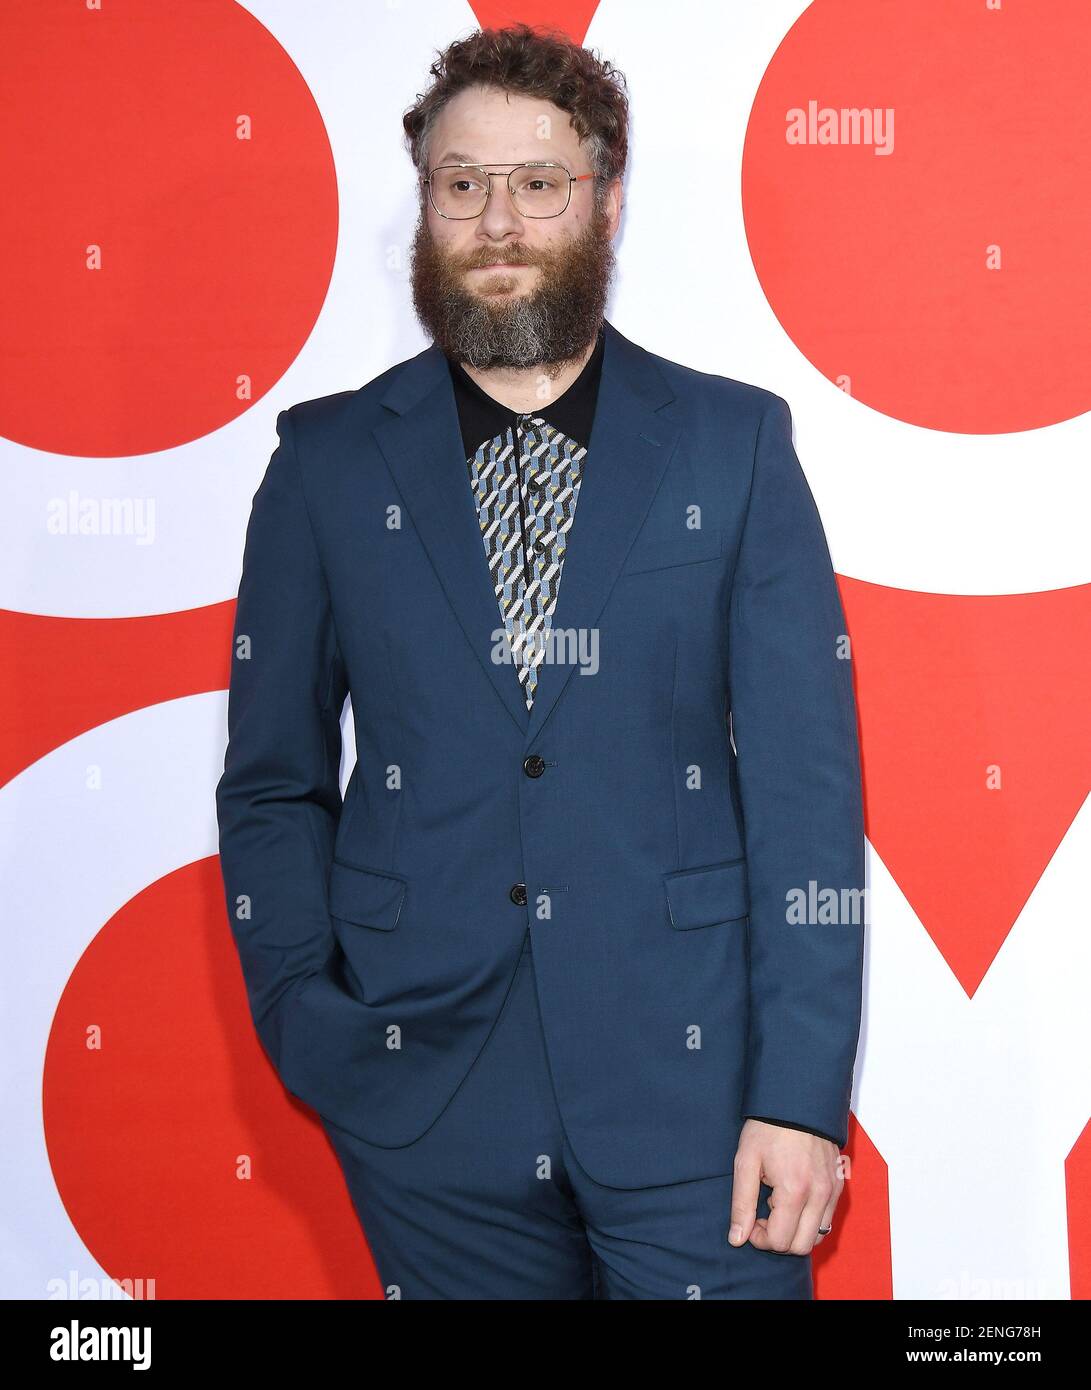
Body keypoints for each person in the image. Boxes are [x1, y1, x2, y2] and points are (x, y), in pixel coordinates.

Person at [215, 22, 866, 1300]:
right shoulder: (327, 467)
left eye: (537, 183)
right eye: (462, 186)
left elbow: (805, 797)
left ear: (606, 202)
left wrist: (801, 1096)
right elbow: (272, 782)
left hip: (698, 1098)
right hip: (426, 1101)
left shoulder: (732, 449)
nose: (497, 221)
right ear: (426, 205)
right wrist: (310, 1019)